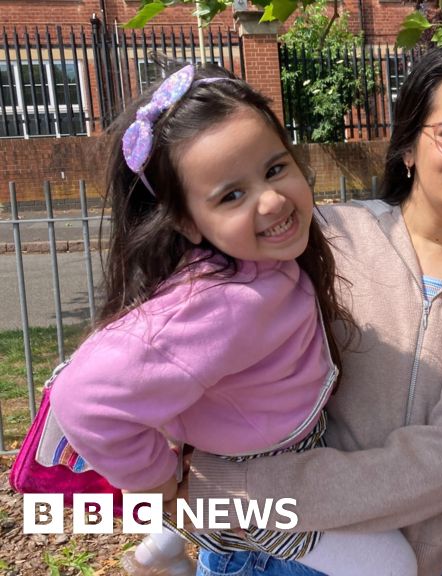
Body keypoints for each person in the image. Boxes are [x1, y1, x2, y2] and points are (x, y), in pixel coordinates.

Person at [182, 41, 442, 576]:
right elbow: (206, 326)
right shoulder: (326, 240)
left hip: (422, 562)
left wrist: (241, 488)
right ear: (408, 147)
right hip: (277, 553)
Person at [49, 64, 416, 576]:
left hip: (270, 452)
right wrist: (157, 485)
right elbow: (82, 397)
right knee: (393, 565)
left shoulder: (258, 262)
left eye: (274, 168)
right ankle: (180, 529)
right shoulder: (225, 300)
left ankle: (164, 544)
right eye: (231, 195)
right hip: (250, 480)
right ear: (187, 223)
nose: (271, 200)